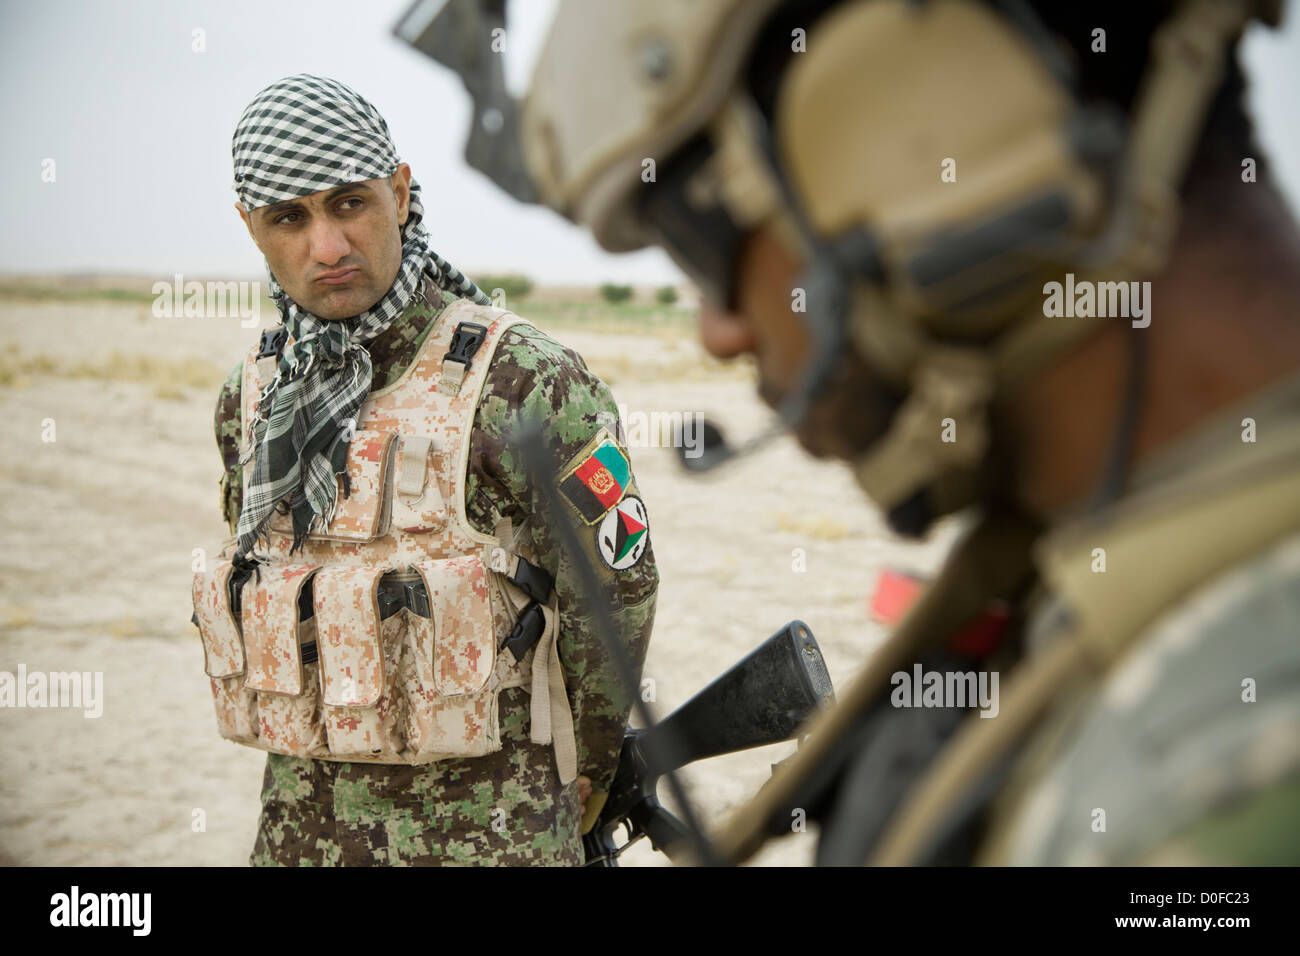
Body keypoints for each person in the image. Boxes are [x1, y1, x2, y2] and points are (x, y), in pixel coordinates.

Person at [426, 0, 1300, 863]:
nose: (717, 330)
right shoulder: (1101, 594)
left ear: (900, 137)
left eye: (704, 244)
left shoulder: (1217, 781)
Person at [198, 74, 658, 866]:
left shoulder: (523, 379)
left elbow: (616, 593)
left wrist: (588, 772)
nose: (328, 247)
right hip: (302, 835)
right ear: (251, 228)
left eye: (350, 203)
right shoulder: (255, 399)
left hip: (498, 833)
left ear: (401, 193)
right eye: (289, 218)